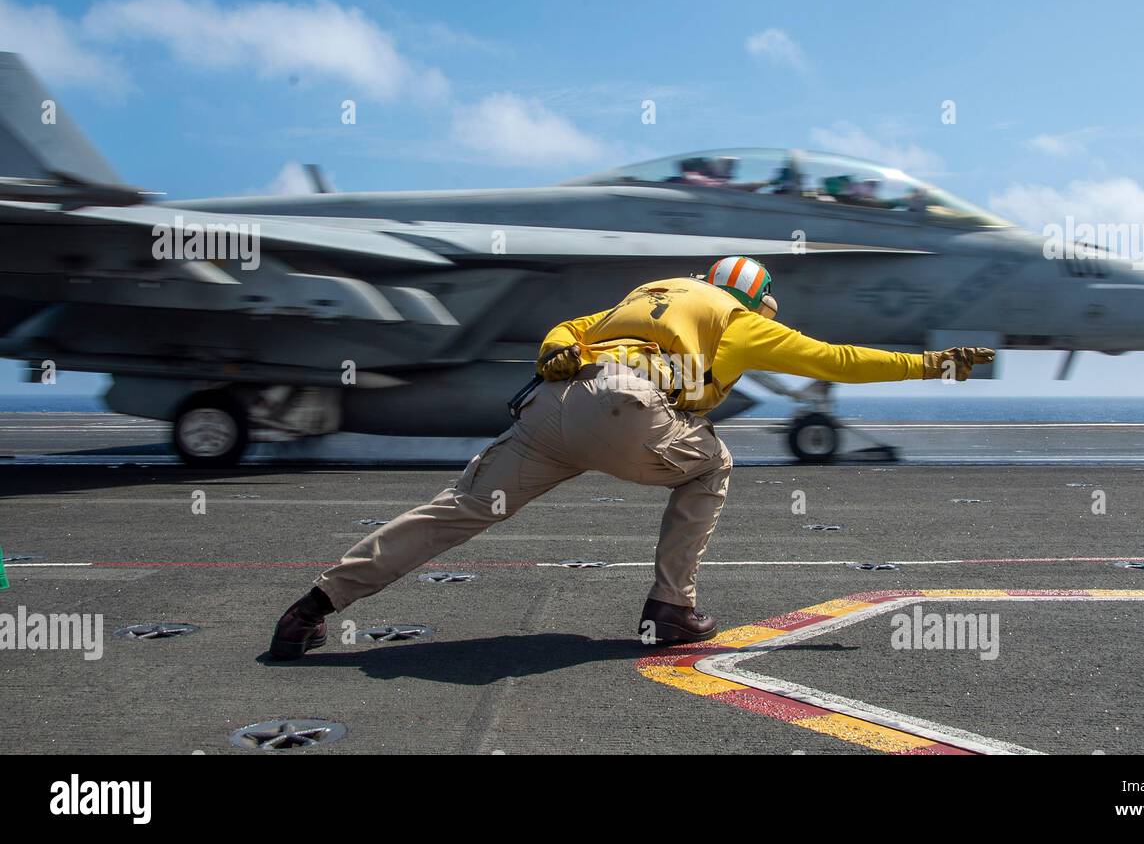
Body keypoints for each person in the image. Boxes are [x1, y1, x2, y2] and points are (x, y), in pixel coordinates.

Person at [269, 256, 994, 657]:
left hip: (555, 410)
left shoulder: (649, 291)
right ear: (756, 300)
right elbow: (837, 360)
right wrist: (936, 365)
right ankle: (669, 610)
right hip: (627, 411)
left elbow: (567, 328)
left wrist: (557, 347)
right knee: (714, 464)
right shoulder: (738, 319)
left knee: (457, 511)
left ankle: (316, 604)